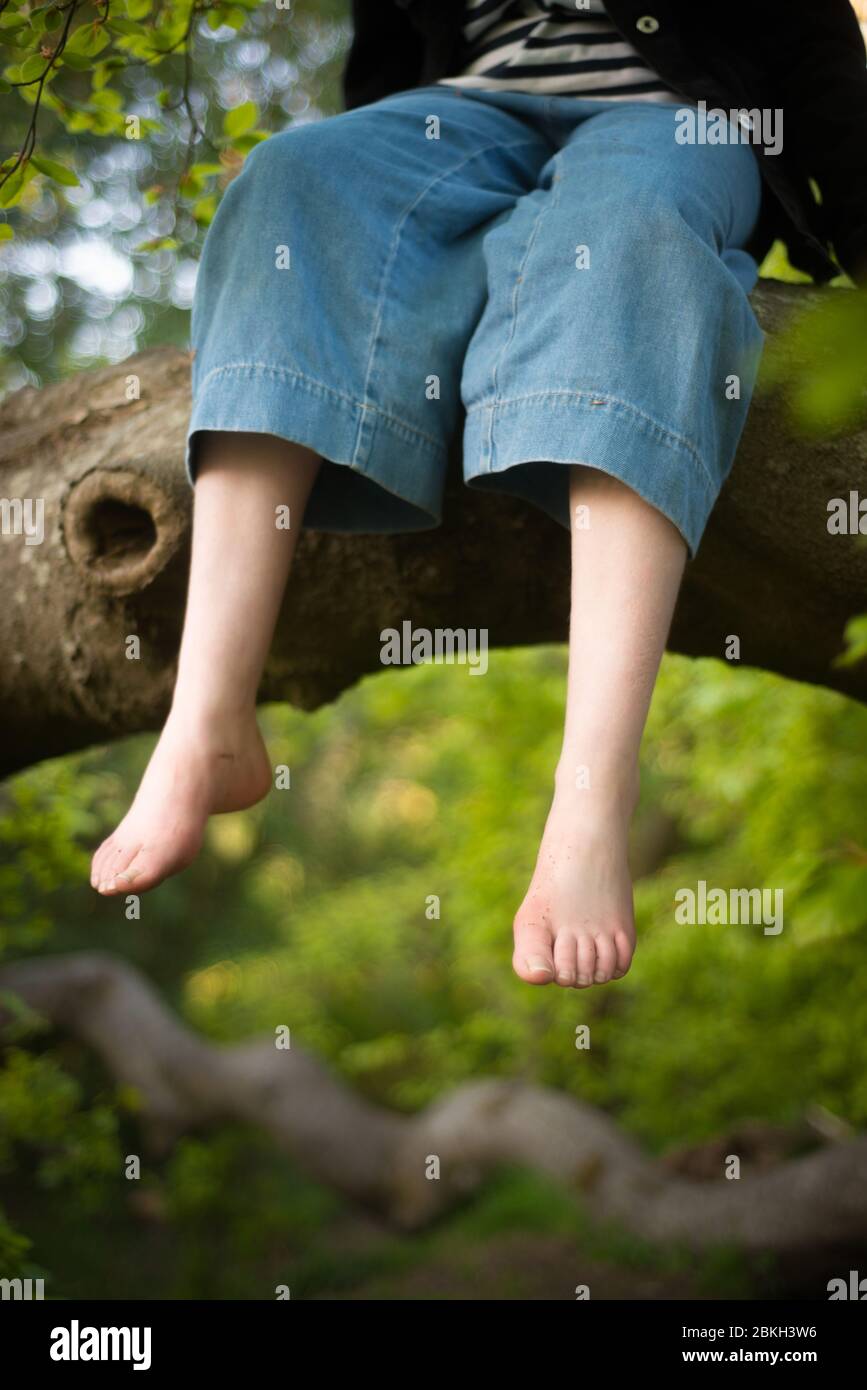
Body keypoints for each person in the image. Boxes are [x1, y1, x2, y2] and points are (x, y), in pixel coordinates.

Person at [91, 0, 867, 990]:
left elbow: (816, 56)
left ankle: (591, 796)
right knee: (293, 179)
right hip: (462, 111)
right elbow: (384, 68)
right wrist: (411, 249)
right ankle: (207, 722)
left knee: (627, 231)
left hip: (677, 118)